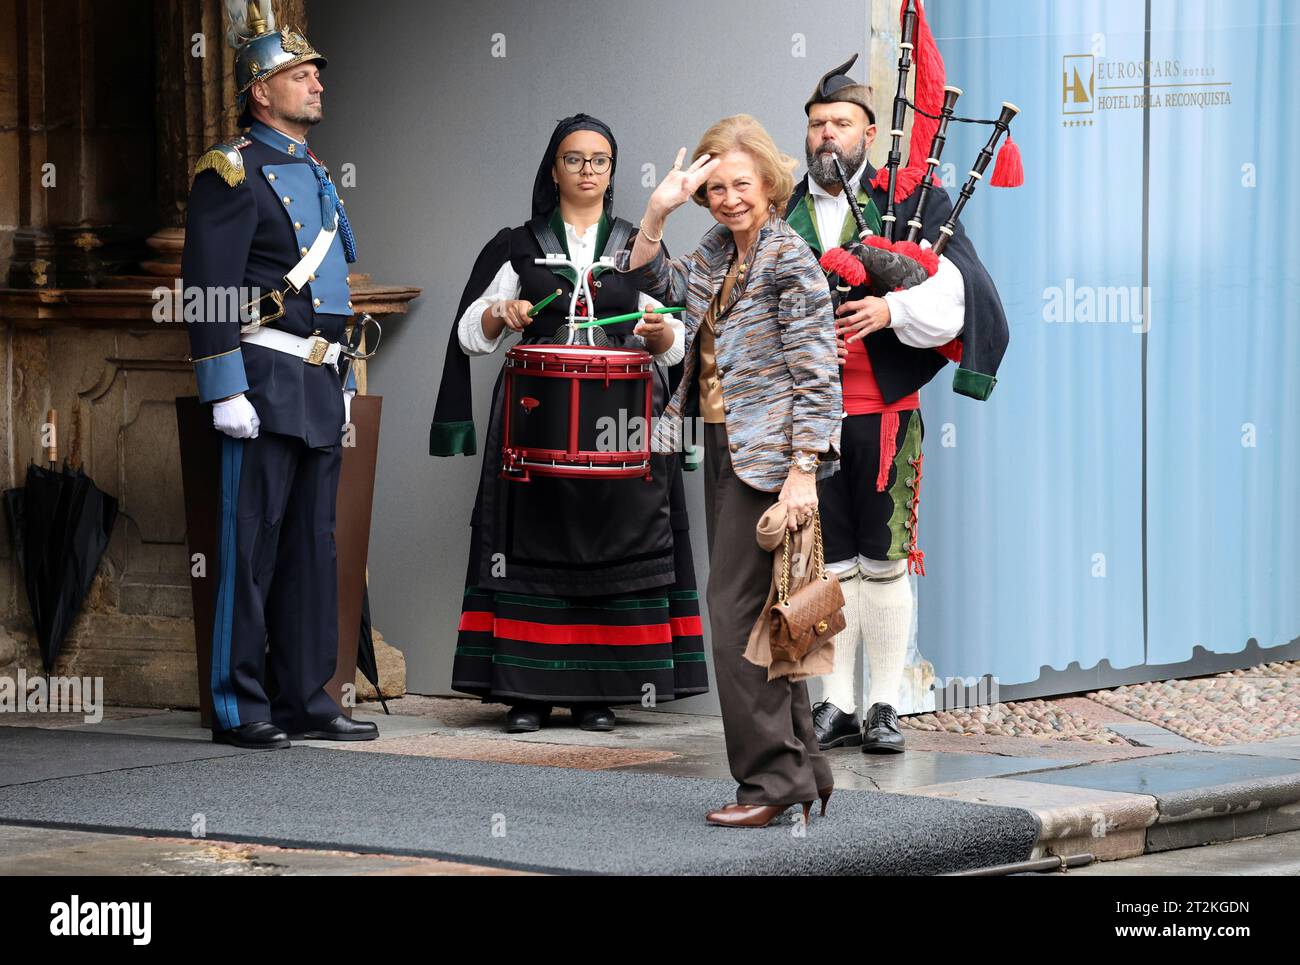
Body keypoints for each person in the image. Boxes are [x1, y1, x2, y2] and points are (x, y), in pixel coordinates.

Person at [430, 114, 708, 734]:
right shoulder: (516, 244)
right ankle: (525, 691)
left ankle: (599, 694)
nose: (588, 171)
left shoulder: (640, 246)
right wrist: (501, 315)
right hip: (533, 422)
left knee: (614, 545)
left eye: (600, 160)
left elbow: (678, 342)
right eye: (575, 159)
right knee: (533, 546)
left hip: (622, 424)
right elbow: (469, 334)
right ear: (553, 169)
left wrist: (664, 333)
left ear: (612, 171)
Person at [786, 49, 1010, 754]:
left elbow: (958, 297)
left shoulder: (915, 203)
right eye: (818, 124)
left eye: (841, 123)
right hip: (806, 420)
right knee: (827, 564)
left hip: (882, 411)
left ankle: (883, 703)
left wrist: (890, 312)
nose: (827, 135)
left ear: (868, 132)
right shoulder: (780, 208)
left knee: (884, 558)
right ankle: (837, 703)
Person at [625, 115, 841, 828]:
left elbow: (819, 376)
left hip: (773, 461)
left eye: (740, 184)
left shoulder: (789, 259)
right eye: (714, 188)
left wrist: (804, 472)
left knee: (733, 617)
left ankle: (768, 781)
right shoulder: (720, 249)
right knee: (777, 615)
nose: (727, 198)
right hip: (723, 446)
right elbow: (653, 280)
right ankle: (803, 765)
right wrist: (658, 209)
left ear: (770, 183)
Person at [182, 4, 376, 748]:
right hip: (261, 378)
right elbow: (207, 286)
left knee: (311, 548)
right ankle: (240, 701)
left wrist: (346, 372)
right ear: (261, 91)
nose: (317, 82)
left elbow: (331, 288)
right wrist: (223, 385)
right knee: (249, 546)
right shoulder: (230, 171)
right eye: (300, 73)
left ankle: (307, 696)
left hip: (319, 381)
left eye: (316, 71)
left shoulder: (315, 170)